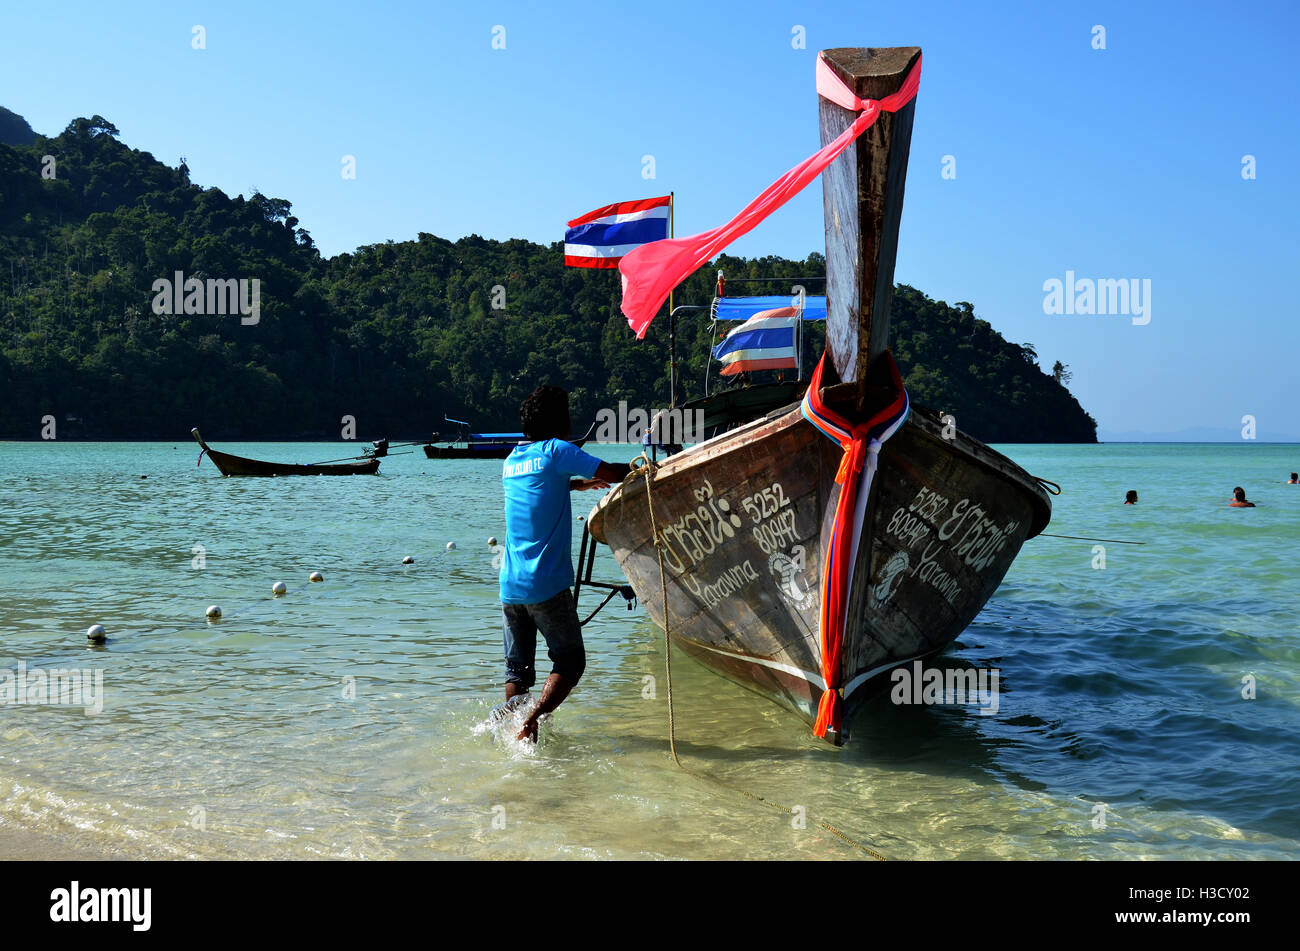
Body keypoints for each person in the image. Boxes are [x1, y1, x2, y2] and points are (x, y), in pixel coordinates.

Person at [498, 386, 630, 743]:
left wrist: (576, 486)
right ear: (560, 421)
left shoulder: (512, 461)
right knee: (571, 661)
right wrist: (642, 468)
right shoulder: (557, 450)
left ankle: (513, 728)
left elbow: (539, 485)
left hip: (510, 586)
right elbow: (615, 471)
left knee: (518, 672)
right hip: (546, 584)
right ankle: (532, 719)